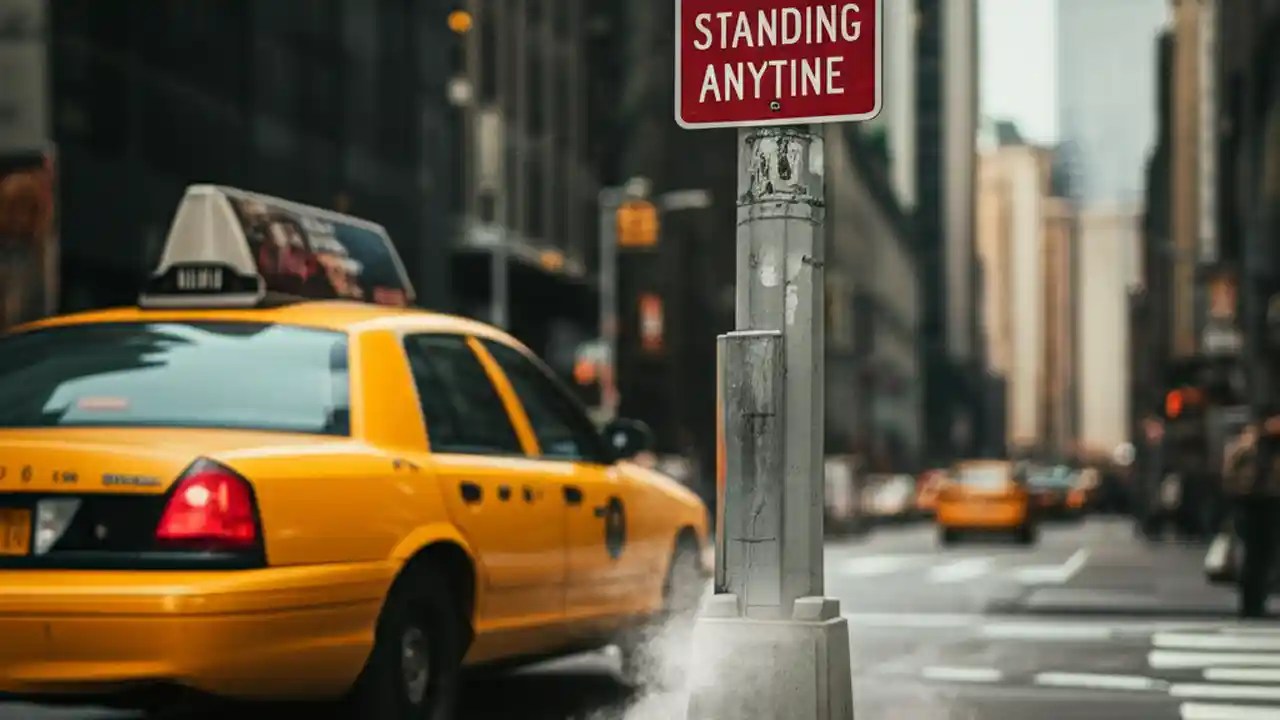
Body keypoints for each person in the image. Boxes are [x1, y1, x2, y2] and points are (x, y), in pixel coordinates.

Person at [1222, 416, 1280, 618]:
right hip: (1251, 503)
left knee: (1264, 556)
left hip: (1270, 502)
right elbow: (1230, 469)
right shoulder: (1249, 443)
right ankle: (1250, 603)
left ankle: (1257, 600)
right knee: (1254, 556)